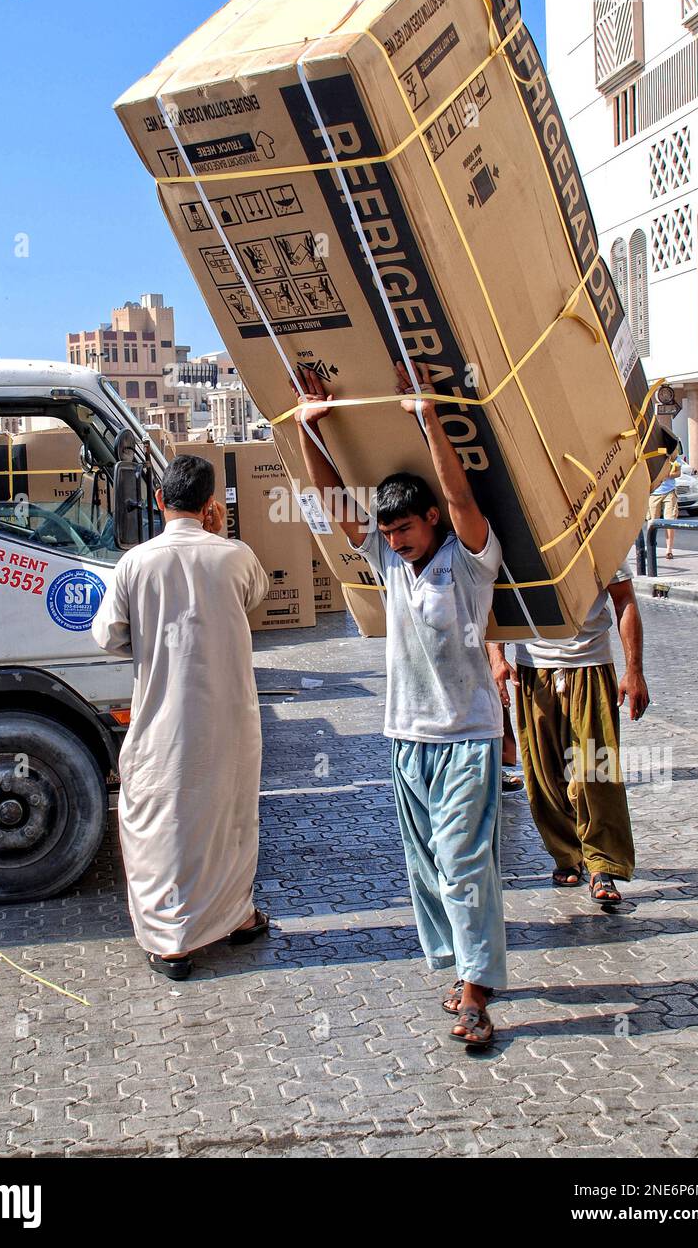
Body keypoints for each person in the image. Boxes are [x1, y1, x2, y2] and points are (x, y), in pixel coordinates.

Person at [296, 361, 506, 1048]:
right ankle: (460, 966)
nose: (395, 541)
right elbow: (336, 510)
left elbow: (464, 499)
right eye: (388, 533)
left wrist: (426, 415)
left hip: (466, 735)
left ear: (432, 520)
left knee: (462, 859)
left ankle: (478, 991)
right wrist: (310, 428)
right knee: (427, 869)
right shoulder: (390, 564)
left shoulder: (469, 560)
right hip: (405, 737)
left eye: (406, 530)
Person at [92, 454, 271, 981]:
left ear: (158, 501)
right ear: (211, 505)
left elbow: (108, 636)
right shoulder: (236, 556)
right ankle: (236, 916)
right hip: (230, 721)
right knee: (230, 820)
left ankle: (171, 942)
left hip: (162, 723)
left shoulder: (135, 562)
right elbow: (255, 596)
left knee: (162, 825)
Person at [488, 570, 649, 907]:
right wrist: (497, 658)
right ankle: (567, 853)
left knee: (594, 773)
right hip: (533, 668)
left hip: (590, 663)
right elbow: (495, 597)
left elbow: (624, 599)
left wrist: (634, 670)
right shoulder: (514, 534)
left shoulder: (599, 539)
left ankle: (602, 863)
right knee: (543, 774)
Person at [647, 450, 681, 559]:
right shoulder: (652, 454)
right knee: (652, 521)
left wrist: (669, 475)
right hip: (654, 492)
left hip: (669, 491)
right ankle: (650, 546)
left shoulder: (673, 456)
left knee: (669, 521)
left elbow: (678, 473)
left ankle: (669, 550)